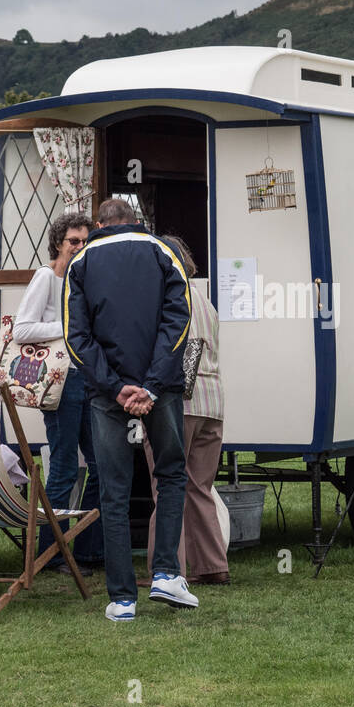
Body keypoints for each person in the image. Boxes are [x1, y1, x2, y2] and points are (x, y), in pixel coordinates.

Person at [64, 198, 195, 622]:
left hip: (107, 395)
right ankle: (165, 574)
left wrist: (117, 387)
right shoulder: (164, 251)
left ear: (100, 224)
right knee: (171, 474)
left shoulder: (80, 262)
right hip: (163, 389)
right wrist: (152, 386)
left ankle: (122, 599)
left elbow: (76, 337)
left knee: (114, 491)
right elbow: (178, 322)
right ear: (138, 222)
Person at [14, 212, 103, 573]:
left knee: (100, 464)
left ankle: (84, 548)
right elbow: (22, 329)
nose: (80, 247)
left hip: (86, 379)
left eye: (85, 241)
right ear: (58, 244)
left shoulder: (85, 279)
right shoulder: (45, 277)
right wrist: (67, 326)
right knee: (65, 468)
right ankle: (51, 554)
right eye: (73, 241)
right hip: (59, 383)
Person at [146, 235, 229, 585]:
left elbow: (188, 350)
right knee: (200, 487)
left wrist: (166, 394)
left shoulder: (172, 297)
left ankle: (167, 569)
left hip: (183, 402)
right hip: (214, 403)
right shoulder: (204, 299)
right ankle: (212, 565)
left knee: (166, 486)